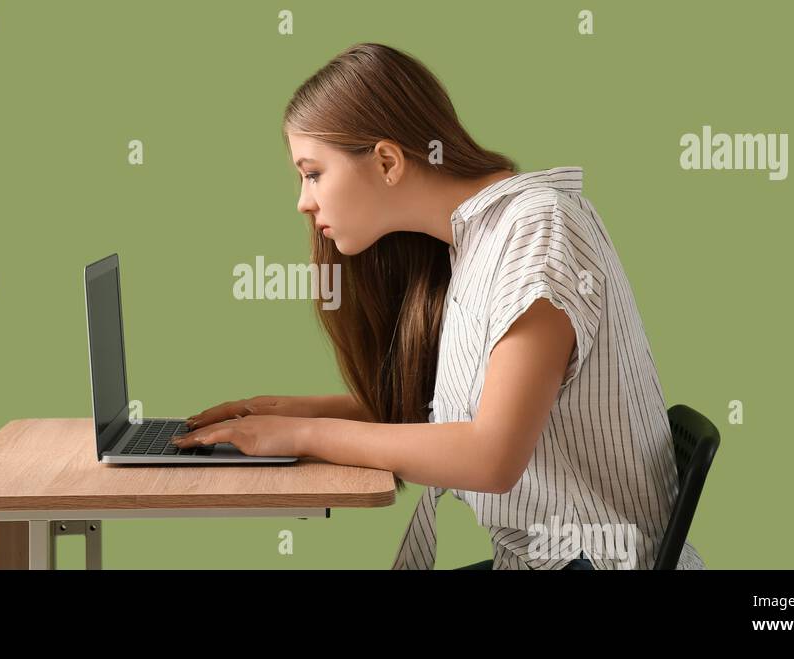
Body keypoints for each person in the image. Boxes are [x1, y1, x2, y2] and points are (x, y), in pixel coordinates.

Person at [173, 43, 704, 571]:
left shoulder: (538, 229)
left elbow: (490, 456)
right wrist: (294, 411)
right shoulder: (473, 245)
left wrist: (302, 437)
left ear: (386, 161)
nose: (304, 201)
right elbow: (456, 416)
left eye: (312, 173)